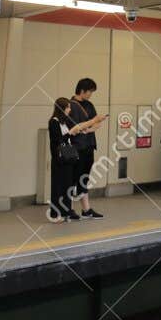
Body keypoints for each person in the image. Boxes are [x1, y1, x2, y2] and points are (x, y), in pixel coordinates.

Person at [48, 98, 99, 222]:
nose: (70, 109)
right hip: (59, 158)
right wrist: (71, 133)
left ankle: (66, 211)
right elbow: (58, 140)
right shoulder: (53, 122)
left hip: (68, 156)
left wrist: (90, 128)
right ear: (62, 108)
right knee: (58, 186)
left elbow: (77, 130)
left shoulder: (64, 122)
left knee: (67, 185)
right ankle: (56, 214)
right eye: (68, 107)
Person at [67, 78, 107, 219]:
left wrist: (90, 129)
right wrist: (91, 123)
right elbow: (75, 127)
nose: (91, 94)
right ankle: (68, 209)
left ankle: (86, 209)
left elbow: (94, 124)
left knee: (84, 178)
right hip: (75, 147)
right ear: (82, 90)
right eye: (90, 91)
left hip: (88, 145)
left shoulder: (89, 105)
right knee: (71, 178)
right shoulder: (70, 105)